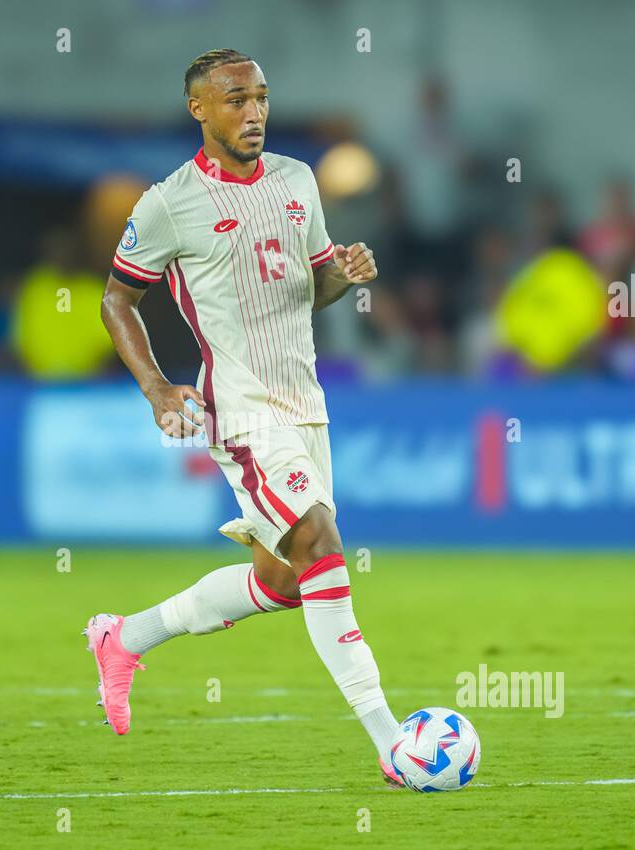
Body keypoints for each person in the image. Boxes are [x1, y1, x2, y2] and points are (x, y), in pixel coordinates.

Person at [87, 49, 404, 788]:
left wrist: (341, 275)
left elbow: (306, 288)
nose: (254, 112)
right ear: (199, 109)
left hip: (306, 404)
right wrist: (159, 389)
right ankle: (393, 744)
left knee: (287, 582)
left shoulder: (297, 180)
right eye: (235, 100)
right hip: (241, 409)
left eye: (261, 98)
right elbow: (116, 299)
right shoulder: (168, 203)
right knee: (322, 544)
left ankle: (124, 638)